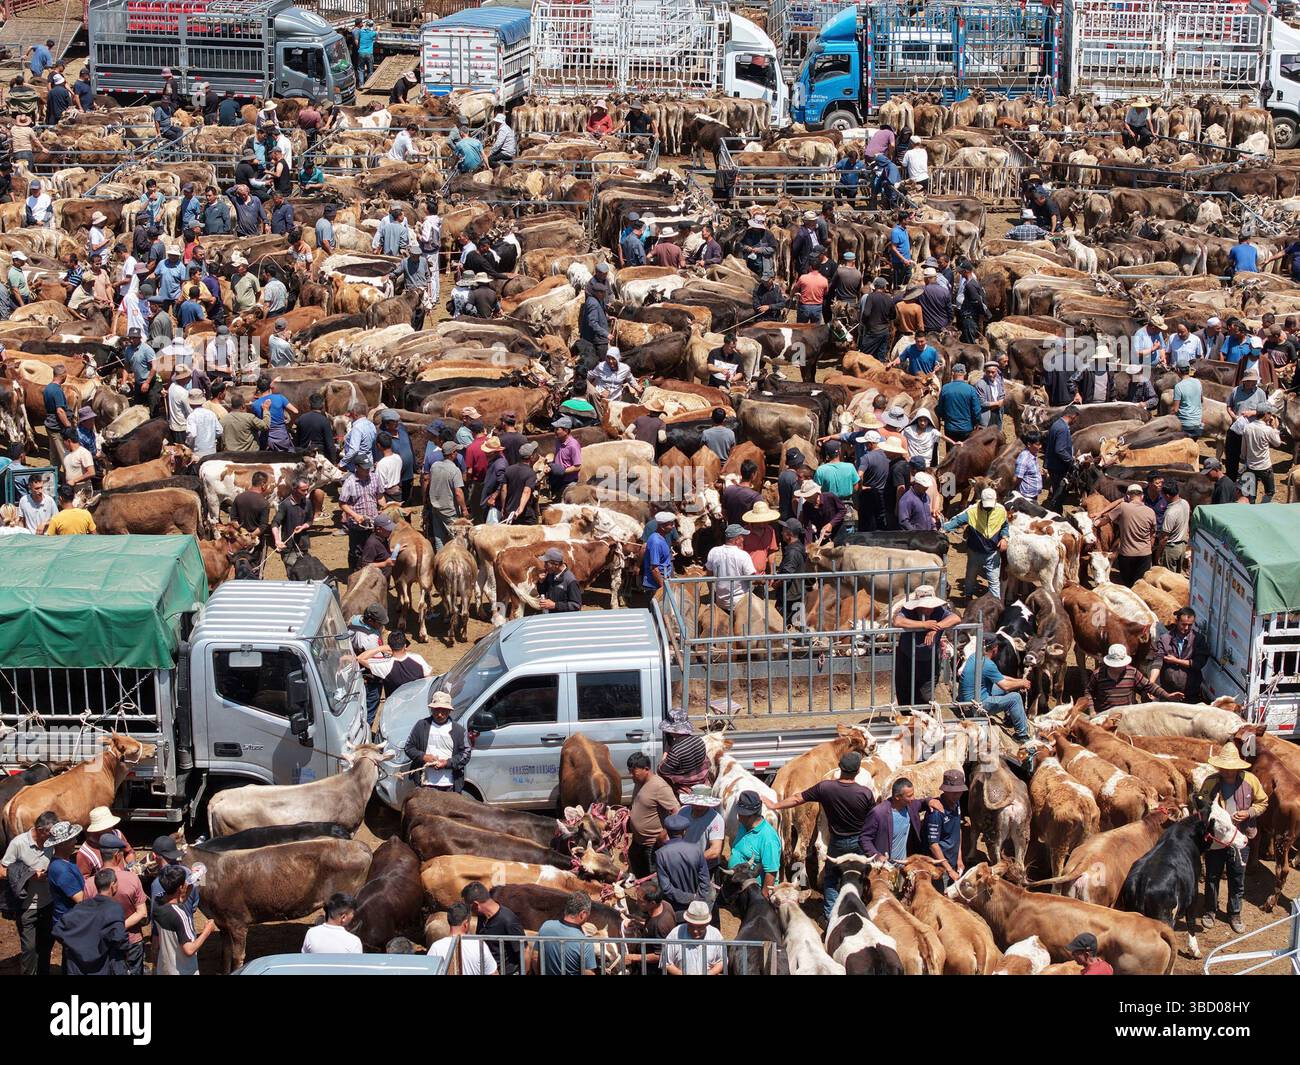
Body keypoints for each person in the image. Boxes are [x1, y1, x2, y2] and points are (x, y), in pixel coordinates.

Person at [764, 751, 875, 919]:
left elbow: (796, 799)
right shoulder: (865, 793)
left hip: (837, 841)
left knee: (831, 877)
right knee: (855, 875)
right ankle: (854, 910)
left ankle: (831, 915)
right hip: (858, 841)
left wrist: (775, 805)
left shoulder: (826, 787)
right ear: (858, 771)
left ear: (839, 768)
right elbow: (871, 818)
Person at [1197, 745, 1267, 934]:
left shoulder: (1250, 780)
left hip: (1240, 837)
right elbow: (1200, 805)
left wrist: (1248, 812)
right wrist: (1206, 811)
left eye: (1231, 767)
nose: (1227, 770)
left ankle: (1234, 913)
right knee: (1212, 876)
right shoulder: (1210, 782)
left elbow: (1263, 802)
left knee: (1237, 877)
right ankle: (1210, 911)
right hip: (1217, 839)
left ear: (1238, 767)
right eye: (1224, 767)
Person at [1, 809, 57, 975]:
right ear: (40, 830)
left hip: (48, 903)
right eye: (49, 833)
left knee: (46, 946)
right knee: (29, 949)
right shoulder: (18, 844)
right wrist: (30, 875)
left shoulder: (51, 842)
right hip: (27, 907)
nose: (52, 837)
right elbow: (3, 870)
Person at [892, 584, 959, 706]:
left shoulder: (938, 610)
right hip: (907, 657)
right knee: (904, 693)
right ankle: (908, 720)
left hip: (929, 659)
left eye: (931, 606)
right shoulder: (908, 610)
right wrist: (924, 625)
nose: (929, 609)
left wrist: (936, 628)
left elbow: (955, 618)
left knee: (926, 695)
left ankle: (925, 719)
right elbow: (898, 621)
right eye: (925, 606)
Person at [53, 868, 128, 976]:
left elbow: (58, 930)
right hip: (101, 967)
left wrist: (77, 947)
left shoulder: (81, 906)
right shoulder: (114, 909)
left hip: (77, 968)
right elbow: (120, 939)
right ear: (113, 885)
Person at [957, 640, 1031, 743]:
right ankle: (1022, 735)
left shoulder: (975, 656)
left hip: (966, 702)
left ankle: (1010, 718)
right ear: (995, 648)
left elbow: (999, 677)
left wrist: (1019, 681)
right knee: (1015, 698)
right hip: (975, 707)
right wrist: (1021, 684)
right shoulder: (988, 664)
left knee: (1012, 688)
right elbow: (1005, 686)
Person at [942, 488, 1007, 600]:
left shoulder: (1001, 511)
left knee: (994, 581)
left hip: (992, 553)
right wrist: (944, 528)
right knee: (971, 577)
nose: (988, 507)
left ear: (996, 501)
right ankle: (968, 597)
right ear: (981, 500)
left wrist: (1005, 538)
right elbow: (957, 521)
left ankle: (996, 604)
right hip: (974, 552)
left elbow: (1005, 526)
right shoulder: (972, 511)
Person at [152, 863, 217, 975]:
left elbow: (179, 899)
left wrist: (191, 881)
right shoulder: (180, 915)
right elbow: (189, 950)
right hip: (184, 971)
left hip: (165, 968)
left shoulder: (157, 904)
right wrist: (207, 931)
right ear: (180, 888)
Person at [401, 689, 470, 791]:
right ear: (432, 710)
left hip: (450, 786)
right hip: (425, 783)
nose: (440, 714)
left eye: (444, 710)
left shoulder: (459, 731)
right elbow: (408, 747)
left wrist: (447, 763)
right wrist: (423, 757)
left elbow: (466, 754)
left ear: (450, 711)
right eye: (437, 710)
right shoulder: (421, 725)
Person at [628, 751, 680, 878]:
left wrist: (665, 832)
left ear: (646, 769)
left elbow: (677, 810)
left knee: (654, 880)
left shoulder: (659, 786)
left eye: (634, 772)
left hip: (652, 845)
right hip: (637, 842)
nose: (631, 776)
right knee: (639, 875)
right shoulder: (638, 783)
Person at [1093, 484, 1157, 586]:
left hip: (1127, 555)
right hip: (1145, 555)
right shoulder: (1151, 512)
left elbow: (1104, 521)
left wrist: (1095, 521)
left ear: (1127, 496)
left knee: (1128, 584)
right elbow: (1153, 534)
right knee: (1141, 584)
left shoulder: (1123, 507)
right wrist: (1149, 547)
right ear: (1142, 496)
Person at [1085, 643, 1177, 712]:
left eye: (1120, 665)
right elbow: (1088, 692)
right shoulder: (1098, 674)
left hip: (1126, 716)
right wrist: (1092, 711)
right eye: (1115, 665)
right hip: (1105, 716)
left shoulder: (1132, 672)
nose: (1118, 668)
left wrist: (1167, 695)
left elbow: (1149, 686)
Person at [461, 881, 523, 975]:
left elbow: (524, 951)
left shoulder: (508, 920)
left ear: (475, 905)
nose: (469, 911)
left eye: (468, 907)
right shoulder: (482, 917)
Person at [654, 812, 712, 911]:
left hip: (674, 908)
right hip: (696, 906)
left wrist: (690, 898)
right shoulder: (697, 850)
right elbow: (705, 880)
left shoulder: (660, 854)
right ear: (684, 831)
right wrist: (699, 899)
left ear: (667, 831)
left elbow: (666, 888)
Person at [726, 791, 780, 897]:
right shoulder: (743, 825)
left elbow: (771, 872)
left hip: (753, 892)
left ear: (751, 815)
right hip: (739, 889)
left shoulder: (768, 837)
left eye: (741, 814)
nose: (738, 816)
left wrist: (762, 900)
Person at [534, 892, 599, 975]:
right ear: (583, 914)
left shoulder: (546, 926)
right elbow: (588, 973)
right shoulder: (585, 943)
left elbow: (535, 957)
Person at [429, 902, 498, 974]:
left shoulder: (436, 947)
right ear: (466, 924)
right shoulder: (479, 945)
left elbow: (428, 971)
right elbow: (493, 973)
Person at [661, 900, 726, 976]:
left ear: (707, 924)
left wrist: (709, 973)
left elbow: (722, 961)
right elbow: (666, 962)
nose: (695, 931)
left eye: (700, 927)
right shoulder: (675, 934)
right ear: (687, 921)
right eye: (691, 926)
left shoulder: (715, 935)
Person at [1241, 404, 1282, 502]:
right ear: (1266, 415)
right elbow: (1277, 443)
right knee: (1270, 492)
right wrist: (1275, 428)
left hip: (1250, 466)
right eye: (1270, 413)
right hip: (1264, 467)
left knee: (1250, 494)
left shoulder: (1247, 427)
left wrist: (1244, 459)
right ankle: (1263, 506)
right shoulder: (1268, 430)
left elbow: (1244, 448)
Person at [272, 477, 314, 569]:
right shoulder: (285, 505)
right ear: (294, 489)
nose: (306, 492)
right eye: (303, 490)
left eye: (307, 489)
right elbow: (275, 523)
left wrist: (303, 527)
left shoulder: (308, 502)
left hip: (303, 546)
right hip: (289, 549)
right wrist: (277, 540)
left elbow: (310, 521)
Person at [638, 511, 676, 607]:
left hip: (660, 582)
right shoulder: (656, 542)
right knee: (657, 614)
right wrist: (663, 587)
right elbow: (654, 568)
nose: (673, 526)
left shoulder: (659, 537)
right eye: (671, 524)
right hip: (655, 586)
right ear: (662, 527)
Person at [1044, 407, 1078, 510]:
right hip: (1058, 466)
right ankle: (1055, 511)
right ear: (1073, 416)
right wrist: (1071, 460)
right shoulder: (1063, 429)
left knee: (1056, 488)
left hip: (1052, 463)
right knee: (1059, 492)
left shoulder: (1057, 424)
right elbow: (1060, 450)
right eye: (1076, 418)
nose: (1076, 421)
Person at [1157, 480, 1191, 574]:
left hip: (1171, 549)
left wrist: (1158, 554)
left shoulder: (1170, 513)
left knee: (1169, 577)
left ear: (1167, 495)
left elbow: (1164, 537)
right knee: (1178, 575)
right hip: (1182, 546)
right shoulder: (1185, 503)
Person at [536, 546, 582, 613]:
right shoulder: (551, 574)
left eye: (546, 563)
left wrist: (555, 605)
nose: (544, 566)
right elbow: (542, 592)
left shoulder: (571, 581)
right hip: (550, 615)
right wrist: (541, 582)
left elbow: (576, 605)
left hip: (562, 620)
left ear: (556, 564)